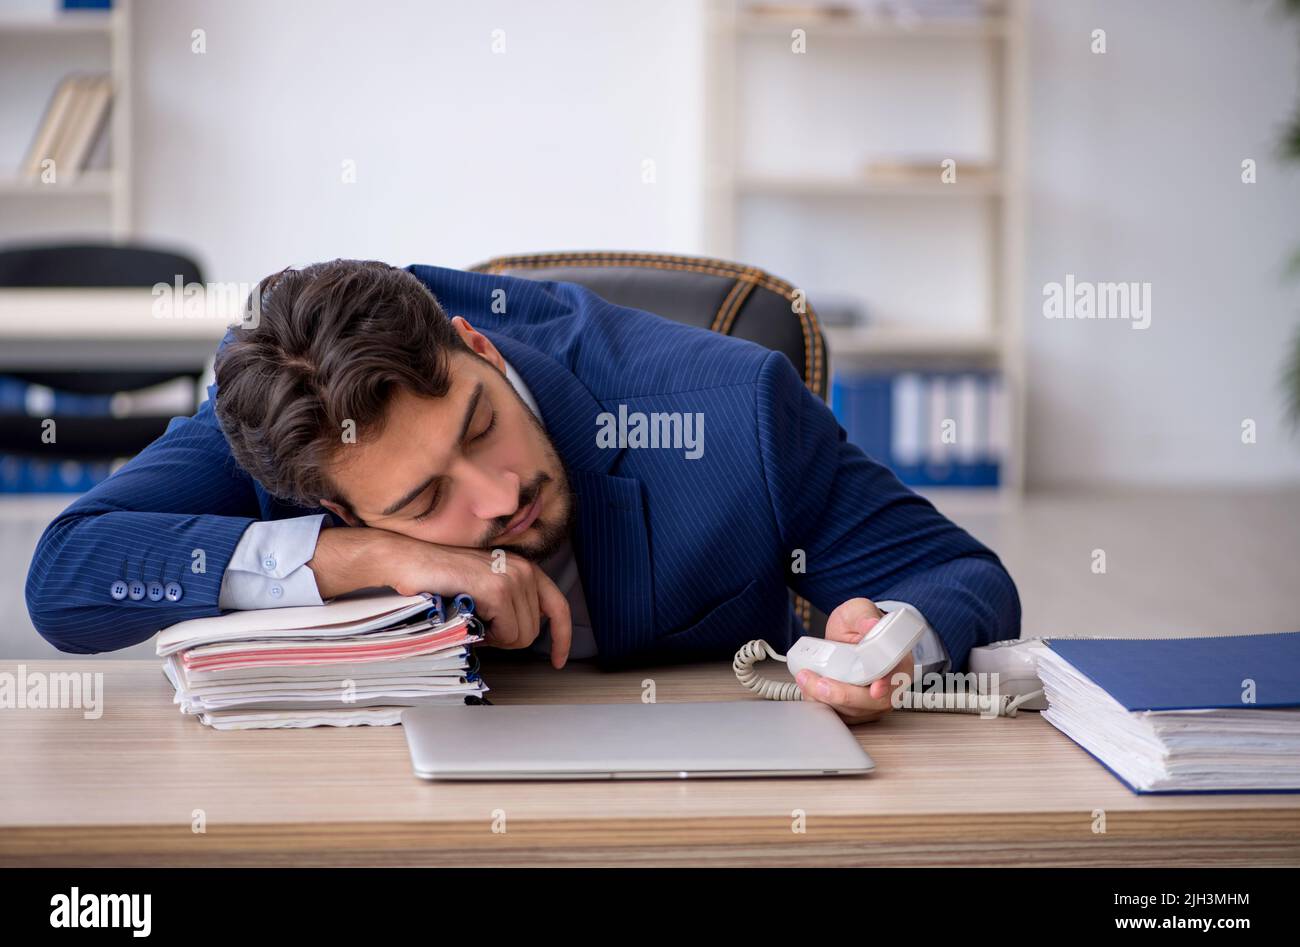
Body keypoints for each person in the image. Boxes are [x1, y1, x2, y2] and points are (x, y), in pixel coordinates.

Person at [25, 259, 1020, 724]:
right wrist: (371, 560)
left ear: (480, 347)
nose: (498, 496)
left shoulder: (733, 411)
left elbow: (955, 572)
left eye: (480, 424)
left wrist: (887, 634)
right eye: (420, 501)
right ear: (336, 501)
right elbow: (66, 580)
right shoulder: (287, 415)